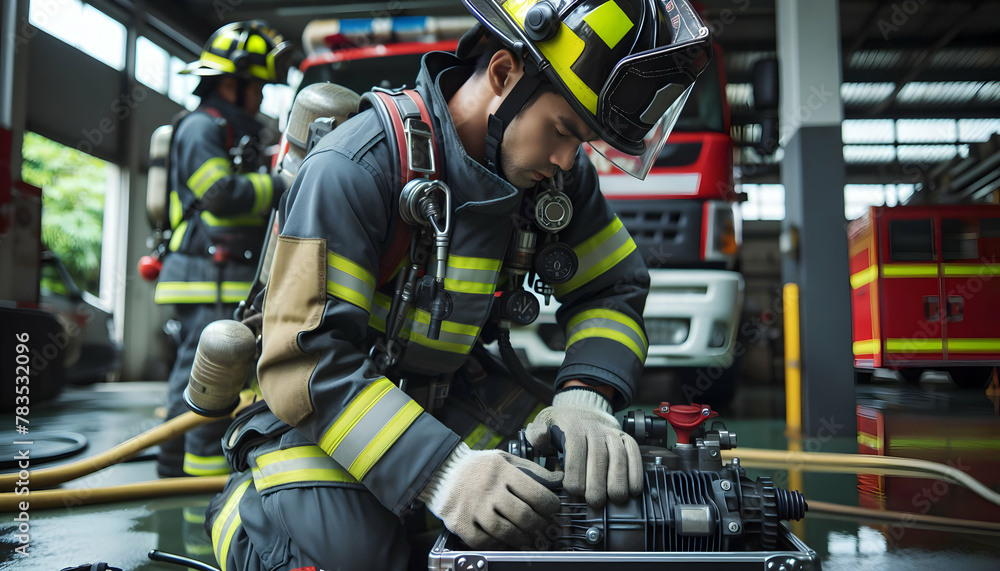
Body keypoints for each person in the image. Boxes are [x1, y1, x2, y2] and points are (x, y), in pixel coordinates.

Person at [206, 0, 711, 568]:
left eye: (583, 140)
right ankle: (247, 517)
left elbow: (611, 290)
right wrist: (445, 474)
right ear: (502, 74)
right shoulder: (356, 167)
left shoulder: (559, 175)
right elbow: (306, 364)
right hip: (332, 407)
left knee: (583, 512)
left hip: (454, 393)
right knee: (349, 556)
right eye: (564, 129)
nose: (568, 158)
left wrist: (585, 399)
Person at [154, 20, 292, 478]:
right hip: (202, 276)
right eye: (257, 87)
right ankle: (186, 477)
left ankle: (199, 465)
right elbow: (218, 194)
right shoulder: (200, 127)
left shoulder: (237, 131)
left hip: (226, 276)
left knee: (226, 376)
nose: (260, 98)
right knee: (204, 373)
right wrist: (279, 186)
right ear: (231, 83)